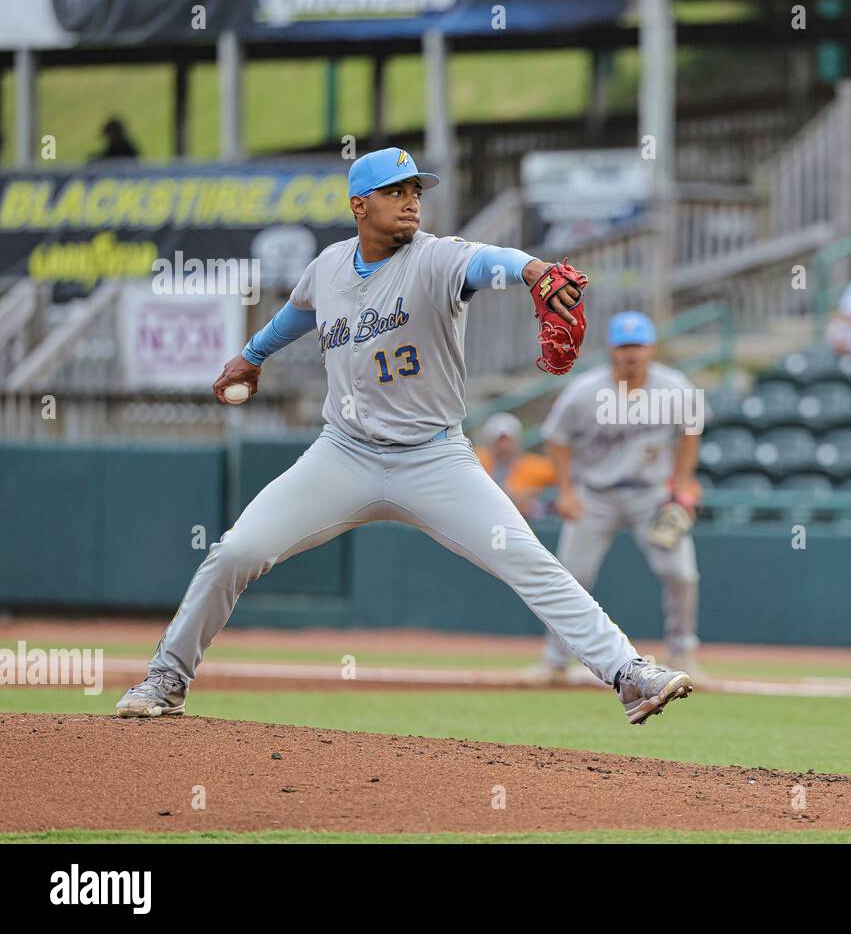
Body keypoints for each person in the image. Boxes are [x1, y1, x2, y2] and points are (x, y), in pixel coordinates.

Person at [114, 147, 693, 726]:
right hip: (343, 455)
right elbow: (298, 310)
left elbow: (490, 262)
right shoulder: (329, 267)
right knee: (235, 551)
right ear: (359, 205)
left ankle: (628, 673)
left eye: (416, 190)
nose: (411, 201)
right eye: (396, 192)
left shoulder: (437, 259)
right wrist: (251, 355)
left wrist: (534, 270)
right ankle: (168, 676)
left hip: (435, 459)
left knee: (530, 562)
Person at [531, 311, 706, 684]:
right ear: (611, 349)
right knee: (570, 576)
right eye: (624, 346)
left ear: (651, 348)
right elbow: (556, 437)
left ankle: (684, 653)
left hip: (653, 495)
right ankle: (555, 661)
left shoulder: (674, 386)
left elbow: (692, 429)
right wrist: (565, 491)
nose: (632, 354)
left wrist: (683, 480)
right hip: (595, 495)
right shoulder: (585, 391)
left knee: (681, 573)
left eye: (638, 346)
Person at [474, 412, 557, 520]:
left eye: (507, 440)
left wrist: (531, 493)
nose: (504, 446)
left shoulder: (535, 465)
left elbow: (565, 482)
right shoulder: (476, 460)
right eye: (499, 441)